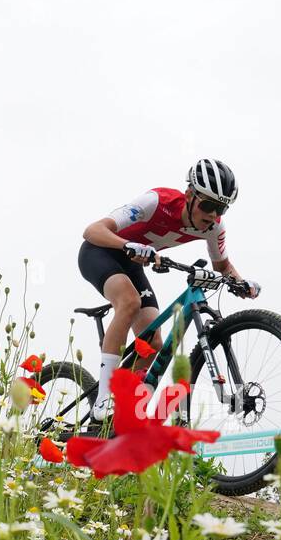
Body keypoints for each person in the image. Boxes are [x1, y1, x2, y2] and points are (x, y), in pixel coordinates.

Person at [79, 158, 256, 418]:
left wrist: (242, 282)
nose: (212, 215)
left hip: (133, 264)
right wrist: (127, 245)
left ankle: (122, 410)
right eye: (208, 205)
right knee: (129, 302)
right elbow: (92, 230)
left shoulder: (214, 226)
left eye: (221, 209)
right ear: (189, 196)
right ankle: (103, 399)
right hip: (100, 252)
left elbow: (223, 266)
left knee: (152, 343)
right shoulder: (156, 202)